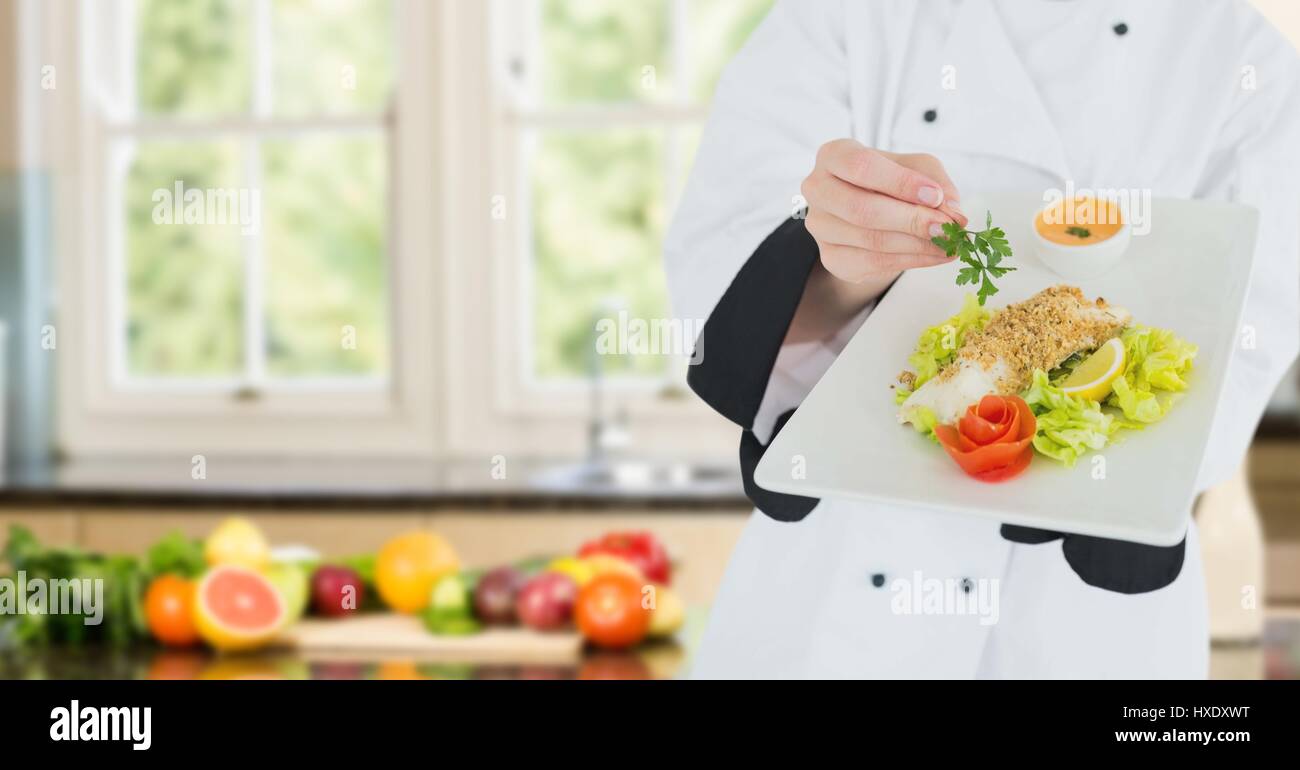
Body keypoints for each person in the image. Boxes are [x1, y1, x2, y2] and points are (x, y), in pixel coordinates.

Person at [664, 0, 1300, 678]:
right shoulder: (843, 18)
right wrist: (836, 264)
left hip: (1091, 624)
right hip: (843, 595)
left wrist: (1097, 471)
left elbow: (1251, 321)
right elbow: (718, 271)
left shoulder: (1241, 57)